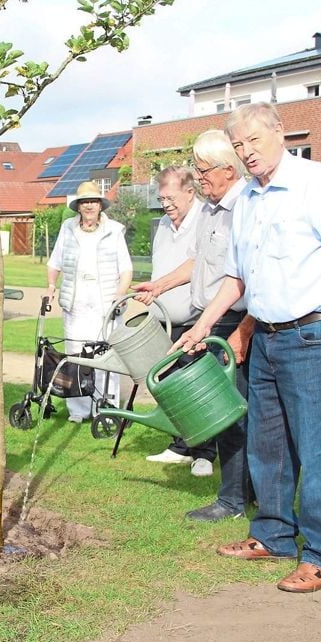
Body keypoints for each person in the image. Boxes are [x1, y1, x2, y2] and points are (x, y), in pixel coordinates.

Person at [173, 102, 321, 593]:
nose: (247, 153)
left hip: (320, 336)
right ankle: (273, 534)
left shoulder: (319, 182)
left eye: (254, 141)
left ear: (280, 134)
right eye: (239, 145)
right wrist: (206, 326)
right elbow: (238, 277)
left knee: (320, 449)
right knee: (269, 448)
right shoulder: (247, 199)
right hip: (265, 338)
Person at [135, 131, 253, 521]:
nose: (199, 179)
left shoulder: (246, 210)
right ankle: (238, 495)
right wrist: (160, 284)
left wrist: (240, 331)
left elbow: (250, 277)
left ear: (227, 170)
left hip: (232, 320)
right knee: (225, 410)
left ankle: (236, 500)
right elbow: (199, 263)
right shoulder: (213, 211)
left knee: (234, 413)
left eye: (203, 171)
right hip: (212, 318)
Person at [133, 167, 211, 476]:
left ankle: (204, 452)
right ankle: (181, 445)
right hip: (164, 322)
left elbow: (197, 267)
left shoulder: (206, 219)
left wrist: (161, 286)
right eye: (161, 197)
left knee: (195, 387)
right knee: (167, 384)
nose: (166, 203)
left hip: (196, 321)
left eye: (171, 197)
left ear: (190, 192)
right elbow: (159, 266)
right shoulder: (164, 224)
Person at [44, 181, 133, 423]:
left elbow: (126, 269)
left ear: (100, 205)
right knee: (75, 354)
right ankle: (79, 409)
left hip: (104, 303)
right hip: (76, 301)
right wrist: (51, 286)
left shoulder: (114, 230)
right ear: (79, 206)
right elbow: (55, 262)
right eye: (85, 202)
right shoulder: (68, 228)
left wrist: (120, 293)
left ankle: (106, 406)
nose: (89, 206)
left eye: (93, 201)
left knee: (106, 354)